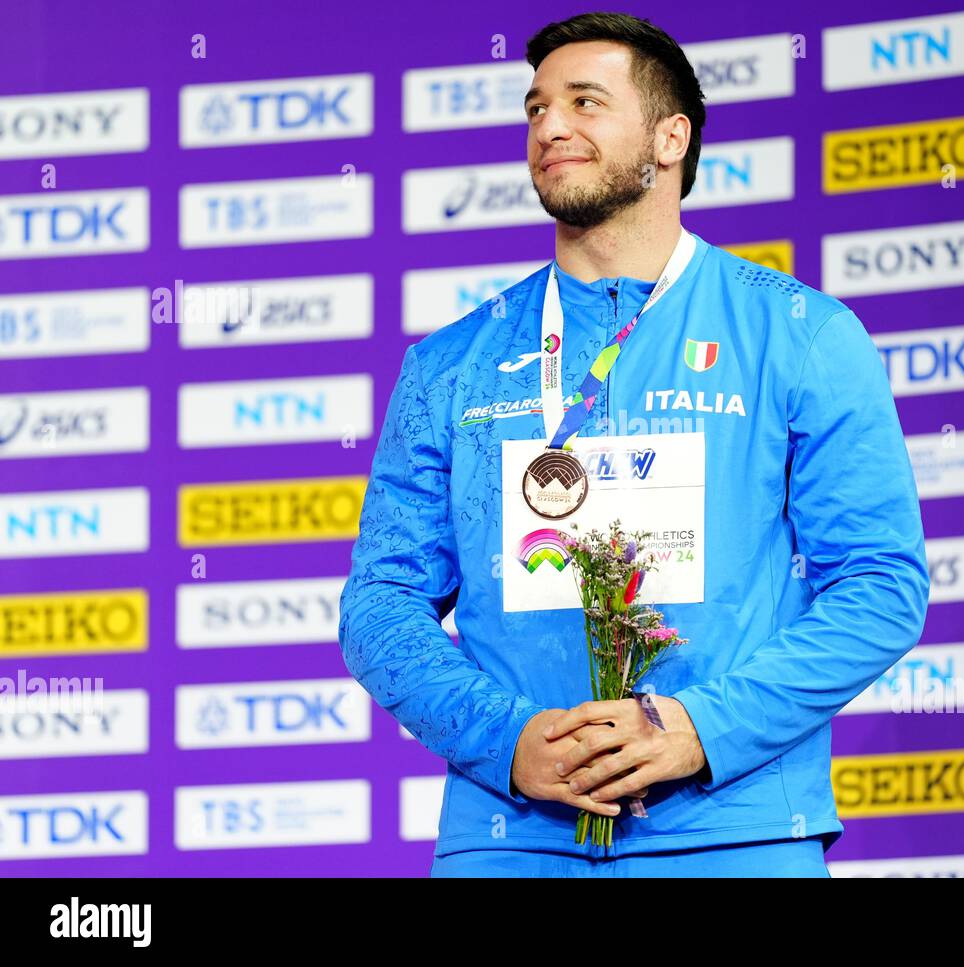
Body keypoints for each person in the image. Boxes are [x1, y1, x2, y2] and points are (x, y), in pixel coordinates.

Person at [338, 11, 929, 878]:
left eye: (585, 102)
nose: (551, 127)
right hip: (510, 834)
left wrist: (699, 727)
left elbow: (881, 584)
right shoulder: (450, 365)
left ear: (669, 137)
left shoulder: (799, 332)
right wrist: (506, 741)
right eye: (536, 108)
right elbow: (381, 602)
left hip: (733, 832)